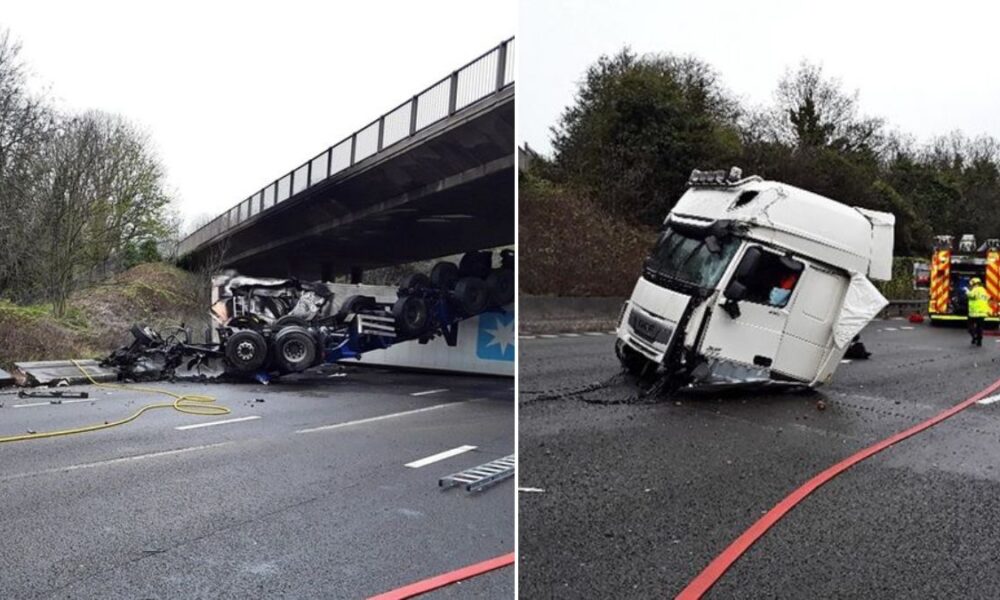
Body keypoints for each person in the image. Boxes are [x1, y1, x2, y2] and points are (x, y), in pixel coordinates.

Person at [966, 276, 990, 346]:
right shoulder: (983, 290)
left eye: (972, 284)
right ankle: (979, 341)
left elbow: (972, 296)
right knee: (979, 328)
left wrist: (967, 292)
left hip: (974, 313)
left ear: (974, 283)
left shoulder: (976, 289)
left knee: (970, 327)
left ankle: (974, 337)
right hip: (982, 313)